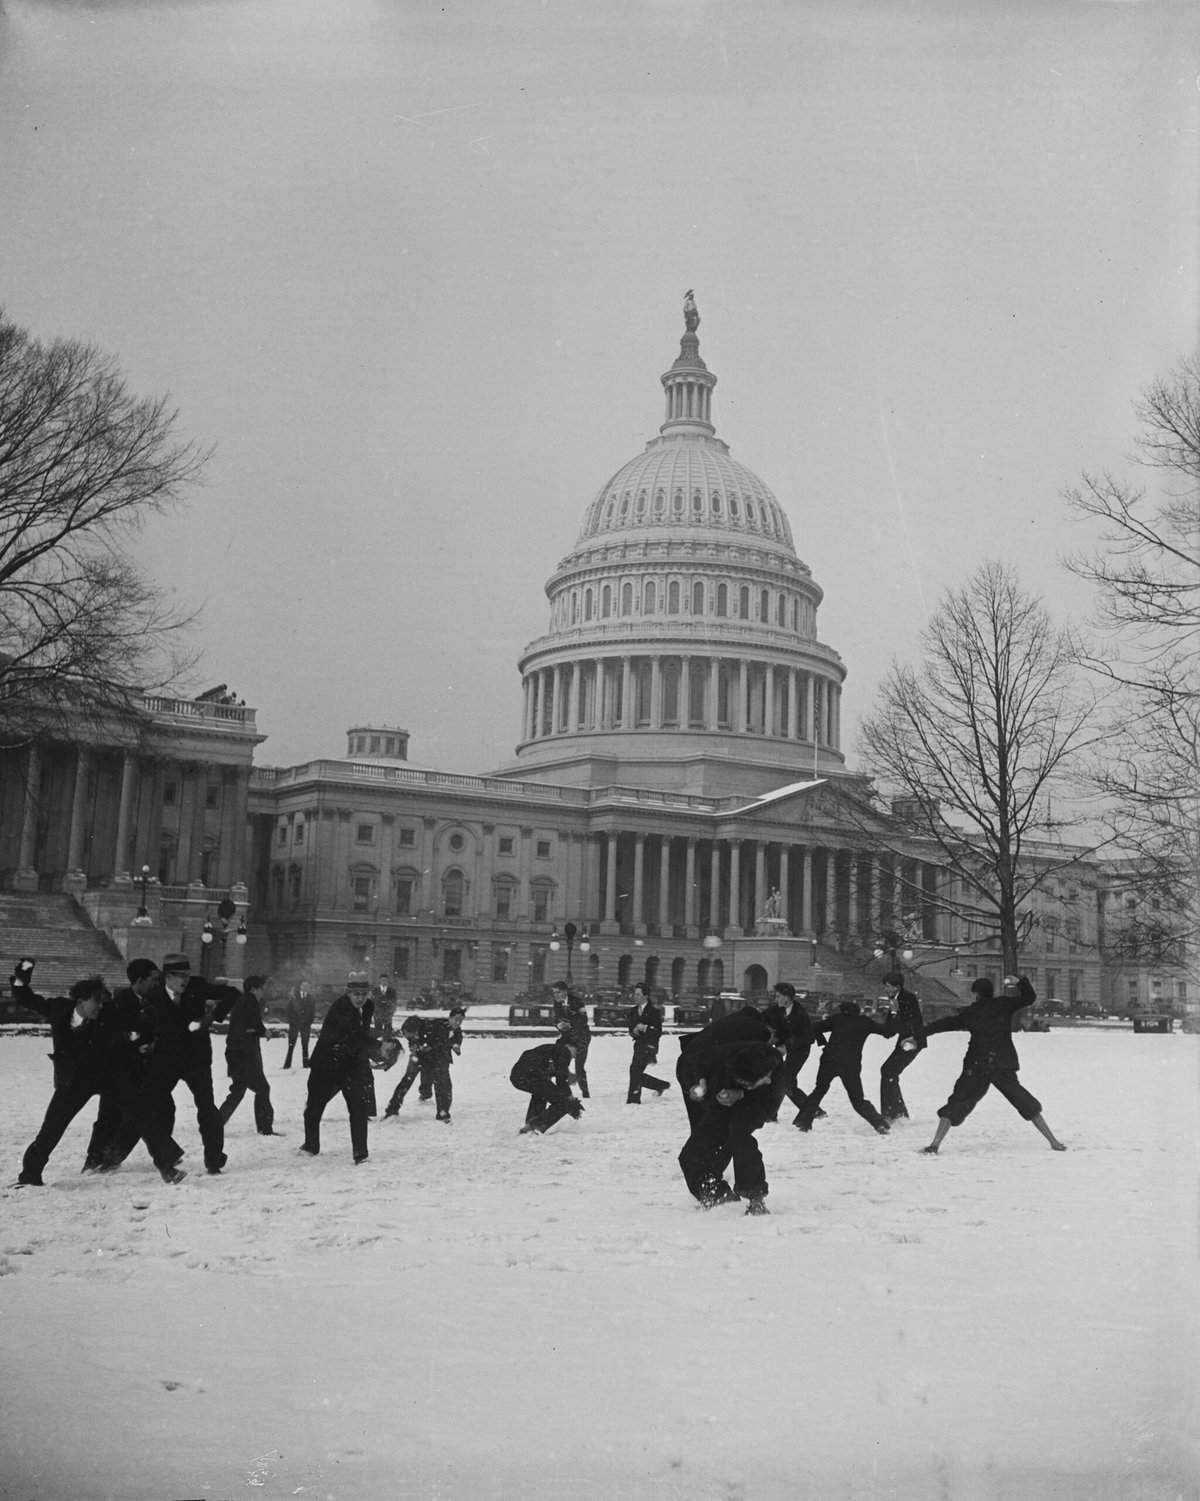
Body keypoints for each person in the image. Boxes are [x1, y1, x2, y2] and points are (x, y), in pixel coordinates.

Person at [15, 963, 185, 1188]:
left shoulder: (108, 1013)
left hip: (109, 1075)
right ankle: (30, 1174)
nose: (99, 1007)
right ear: (80, 1001)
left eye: (102, 1002)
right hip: (74, 1080)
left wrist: (142, 1035)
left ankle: (167, 1167)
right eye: (96, 1002)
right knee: (52, 1127)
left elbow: (140, 1024)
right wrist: (20, 979)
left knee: (142, 1114)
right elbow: (28, 998)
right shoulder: (59, 1009)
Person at [101, 953, 239, 1176]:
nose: (184, 981)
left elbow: (232, 993)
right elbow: (145, 1022)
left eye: (187, 975)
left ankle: (214, 1160)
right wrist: (141, 1041)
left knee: (206, 1108)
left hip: (197, 1059)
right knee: (144, 1106)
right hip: (166, 1059)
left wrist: (212, 1017)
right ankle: (114, 1156)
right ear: (167, 977)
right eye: (178, 976)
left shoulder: (199, 986)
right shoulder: (155, 995)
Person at [920, 975, 1067, 1154]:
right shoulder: (1004, 1004)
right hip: (1001, 1063)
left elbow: (944, 1024)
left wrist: (921, 1033)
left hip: (977, 1065)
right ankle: (1053, 1141)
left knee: (957, 1102)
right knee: (1023, 1101)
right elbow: (1029, 998)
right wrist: (1020, 982)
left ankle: (935, 1144)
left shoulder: (971, 1013)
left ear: (976, 994)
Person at [677, 1040, 781, 1215]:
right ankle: (717, 1195)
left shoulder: (776, 1078)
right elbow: (691, 1061)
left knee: (739, 1135)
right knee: (691, 1154)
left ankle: (755, 1197)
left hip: (756, 1103)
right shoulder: (721, 1057)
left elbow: (767, 1109)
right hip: (720, 1095)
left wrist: (742, 1094)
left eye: (748, 1084)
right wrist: (702, 1084)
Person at [301, 972, 376, 1163]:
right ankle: (311, 1145)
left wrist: (369, 1054)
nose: (360, 998)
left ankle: (360, 1152)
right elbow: (355, 1034)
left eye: (363, 994)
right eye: (355, 994)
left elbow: (361, 1035)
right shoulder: (340, 1007)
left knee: (358, 1107)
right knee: (314, 1107)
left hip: (351, 1064)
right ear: (347, 993)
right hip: (327, 1063)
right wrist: (377, 1047)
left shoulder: (368, 1006)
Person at [795, 1001, 892, 1135]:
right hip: (850, 1064)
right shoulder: (865, 1022)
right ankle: (879, 1123)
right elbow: (886, 1032)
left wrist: (821, 1040)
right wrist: (891, 1017)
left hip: (830, 1060)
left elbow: (814, 1027)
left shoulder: (837, 1019)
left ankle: (804, 1122)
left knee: (819, 1091)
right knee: (858, 1099)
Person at [677, 1004, 781, 1127]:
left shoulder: (736, 1019)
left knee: (700, 1126)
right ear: (772, 1029)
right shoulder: (760, 1031)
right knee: (720, 1126)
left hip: (686, 1065)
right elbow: (746, 1066)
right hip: (707, 1070)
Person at [218, 975, 279, 1135]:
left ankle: (215, 1123)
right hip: (244, 1054)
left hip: (235, 1052)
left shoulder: (242, 1000)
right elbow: (253, 1022)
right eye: (262, 989)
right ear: (254, 988)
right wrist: (263, 1031)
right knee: (262, 1088)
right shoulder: (250, 1000)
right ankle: (265, 1127)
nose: (262, 993)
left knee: (238, 1090)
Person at [762, 982, 820, 1122]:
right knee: (784, 1082)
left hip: (800, 1050)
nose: (776, 999)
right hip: (781, 1048)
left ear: (787, 997)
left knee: (783, 1081)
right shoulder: (775, 1010)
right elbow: (761, 1019)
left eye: (779, 996)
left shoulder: (800, 1014)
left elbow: (807, 1037)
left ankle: (770, 1115)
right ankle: (813, 1110)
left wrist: (786, 1046)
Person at [510, 1035, 584, 1134]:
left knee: (542, 1094)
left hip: (517, 1076)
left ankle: (530, 1125)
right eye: (577, 1051)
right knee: (564, 1103)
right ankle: (535, 1126)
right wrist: (570, 1098)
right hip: (532, 1076)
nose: (575, 1056)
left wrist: (567, 1076)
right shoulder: (564, 1051)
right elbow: (560, 1080)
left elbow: (529, 1058)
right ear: (569, 1046)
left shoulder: (550, 1049)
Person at [878, 971, 926, 1122]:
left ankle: (891, 1111)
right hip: (905, 1041)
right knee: (889, 1071)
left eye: (888, 986)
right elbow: (894, 1020)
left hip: (911, 1042)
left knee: (889, 1070)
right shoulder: (894, 999)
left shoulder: (907, 998)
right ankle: (896, 1110)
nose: (886, 989)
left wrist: (911, 1038)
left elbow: (912, 1019)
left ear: (897, 986)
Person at [418, 1006, 464, 1122]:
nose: (458, 1023)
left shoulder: (457, 1030)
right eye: (456, 1019)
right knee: (427, 1079)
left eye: (461, 1020)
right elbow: (425, 1034)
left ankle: (443, 1111)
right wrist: (424, 1045)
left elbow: (457, 1041)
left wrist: (456, 1047)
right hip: (428, 1057)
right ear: (450, 1017)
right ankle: (425, 1093)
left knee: (444, 1085)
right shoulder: (437, 1025)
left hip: (442, 1059)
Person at [626, 982, 670, 1103]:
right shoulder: (633, 1011)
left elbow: (658, 1031)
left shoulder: (654, 1012)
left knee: (634, 1070)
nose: (635, 996)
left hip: (650, 1046)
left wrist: (645, 1028)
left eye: (638, 994)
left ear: (645, 996)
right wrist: (633, 1031)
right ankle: (660, 1085)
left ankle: (633, 1099)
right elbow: (630, 1029)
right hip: (638, 1045)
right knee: (636, 1072)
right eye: (634, 994)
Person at [381, 1015, 429, 1118]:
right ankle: (392, 1108)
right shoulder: (410, 1031)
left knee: (428, 1077)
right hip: (417, 1057)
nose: (407, 1036)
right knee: (407, 1080)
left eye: (409, 1034)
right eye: (406, 1034)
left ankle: (426, 1093)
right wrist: (415, 1051)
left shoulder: (427, 1032)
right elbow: (412, 1044)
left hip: (430, 1058)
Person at [552, 981, 591, 1098]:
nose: (556, 995)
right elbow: (556, 1019)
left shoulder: (577, 1002)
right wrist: (559, 1025)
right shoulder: (557, 1004)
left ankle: (585, 1092)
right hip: (567, 1035)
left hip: (581, 1036)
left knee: (579, 1065)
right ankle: (568, 1079)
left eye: (558, 992)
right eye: (554, 993)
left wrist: (570, 1024)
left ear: (565, 992)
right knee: (556, 1053)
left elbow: (583, 1019)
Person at [283, 979, 316, 1069]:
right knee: (291, 1044)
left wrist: (309, 1022)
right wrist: (292, 1021)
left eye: (308, 987)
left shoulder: (311, 998)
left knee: (305, 1045)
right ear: (301, 987)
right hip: (295, 1024)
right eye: (304, 986)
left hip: (306, 1025)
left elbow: (312, 1012)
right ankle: (287, 1063)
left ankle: (305, 1064)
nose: (306, 988)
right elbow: (288, 1010)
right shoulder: (294, 997)